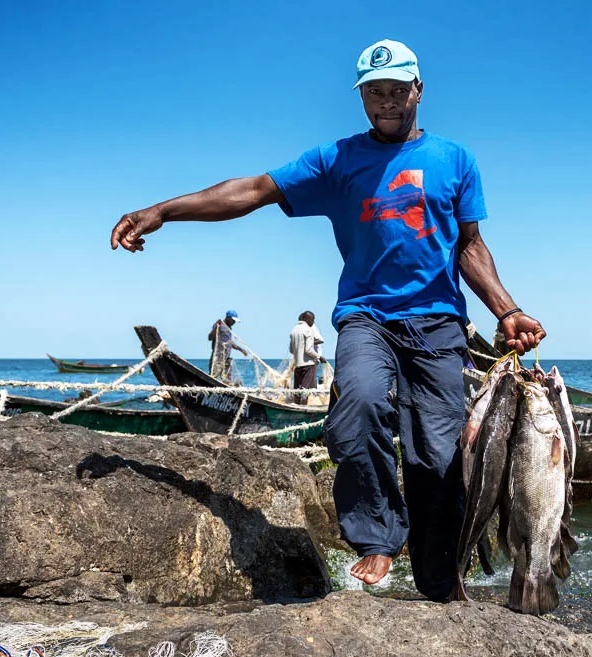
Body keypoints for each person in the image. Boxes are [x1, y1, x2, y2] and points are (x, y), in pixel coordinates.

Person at [109, 38, 546, 602]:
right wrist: (163, 210)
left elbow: (470, 247)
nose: (385, 102)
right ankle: (378, 537)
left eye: (396, 90)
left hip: (438, 324)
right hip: (366, 315)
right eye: (373, 92)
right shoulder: (337, 159)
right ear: (362, 96)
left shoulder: (455, 160)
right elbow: (254, 190)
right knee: (357, 405)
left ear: (418, 90)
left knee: (436, 456)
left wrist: (506, 310)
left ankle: (439, 579)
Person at [207, 310, 247, 383]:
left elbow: (229, 343)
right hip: (217, 359)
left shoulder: (229, 329)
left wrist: (241, 350)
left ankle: (226, 393)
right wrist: (216, 327)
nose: (234, 322)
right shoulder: (220, 325)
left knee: (227, 380)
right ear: (228, 318)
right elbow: (210, 337)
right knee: (214, 377)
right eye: (233, 320)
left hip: (226, 358)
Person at [289, 311, 324, 394]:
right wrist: (319, 357)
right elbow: (308, 350)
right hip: (308, 365)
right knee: (305, 391)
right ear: (306, 319)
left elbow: (291, 349)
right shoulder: (308, 330)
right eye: (312, 320)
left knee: (297, 391)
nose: (313, 322)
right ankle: (303, 405)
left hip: (297, 365)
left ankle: (296, 405)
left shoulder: (294, 329)